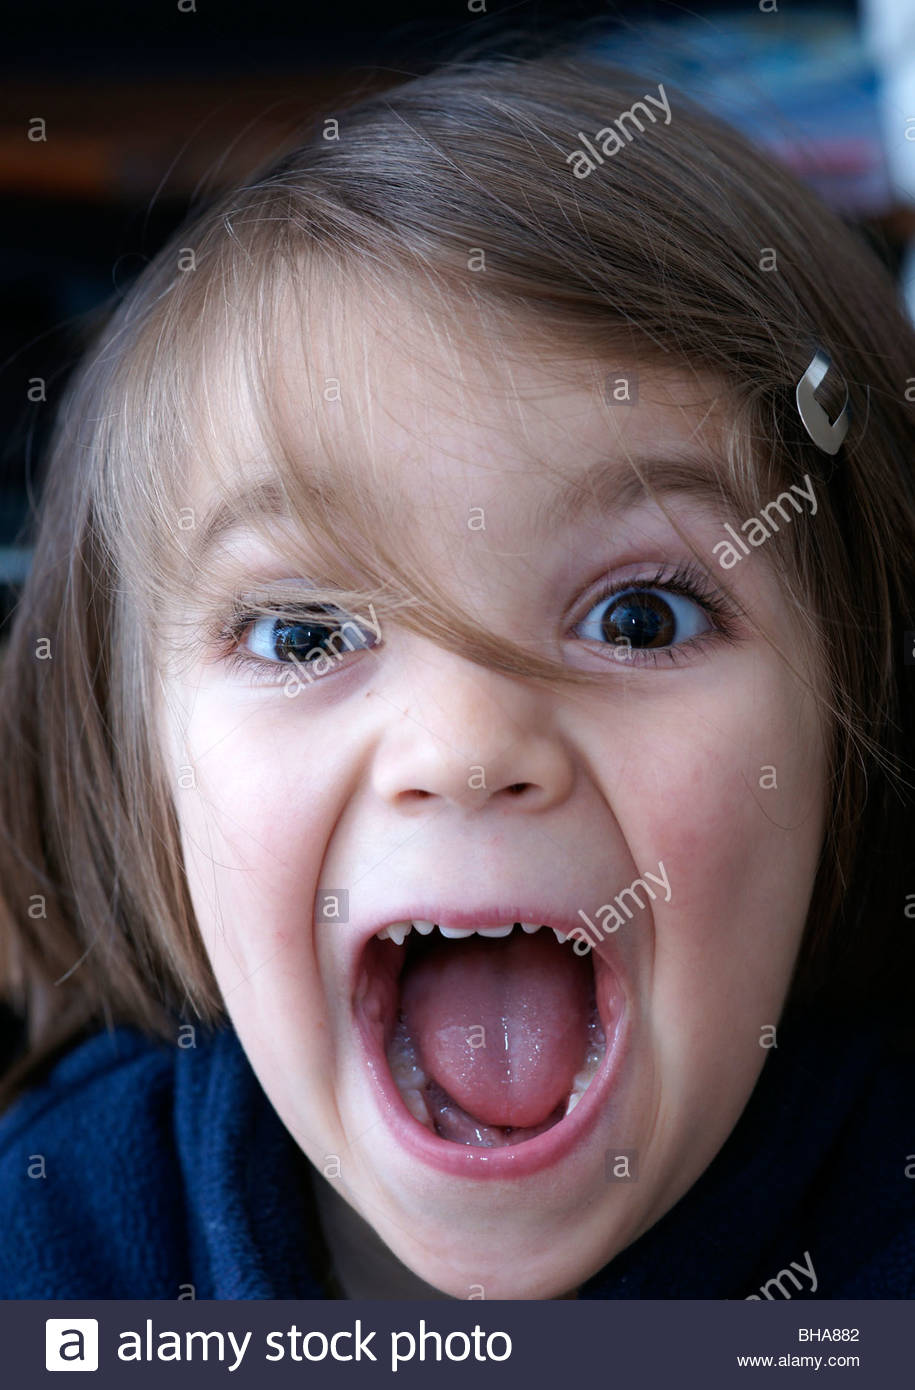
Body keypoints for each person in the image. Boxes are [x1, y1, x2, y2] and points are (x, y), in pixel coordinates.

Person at [0, 50, 913, 1301]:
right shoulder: (53, 1245)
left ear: (855, 731)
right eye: (304, 634)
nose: (468, 747)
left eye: (639, 618)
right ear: (133, 772)